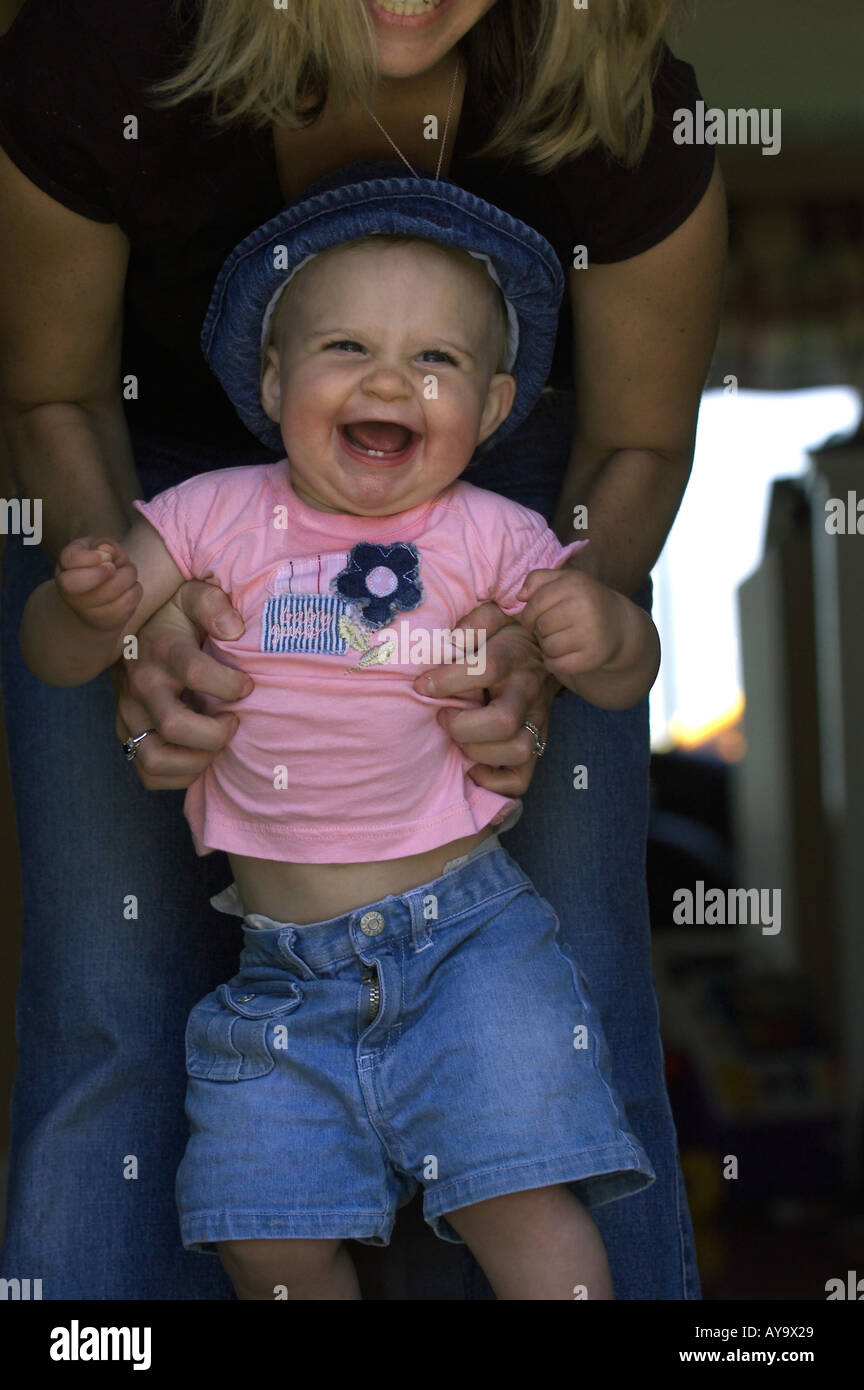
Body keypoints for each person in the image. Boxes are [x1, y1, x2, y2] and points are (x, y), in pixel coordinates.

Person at [0, 0, 726, 1299]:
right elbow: (52, 394)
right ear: (271, 374)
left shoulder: (622, 109)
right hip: (143, 479)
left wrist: (563, 627)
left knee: (564, 1014)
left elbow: (638, 448)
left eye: (437, 357)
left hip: (499, 518)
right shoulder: (102, 52)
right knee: (115, 1001)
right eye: (345, 349)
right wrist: (113, 599)